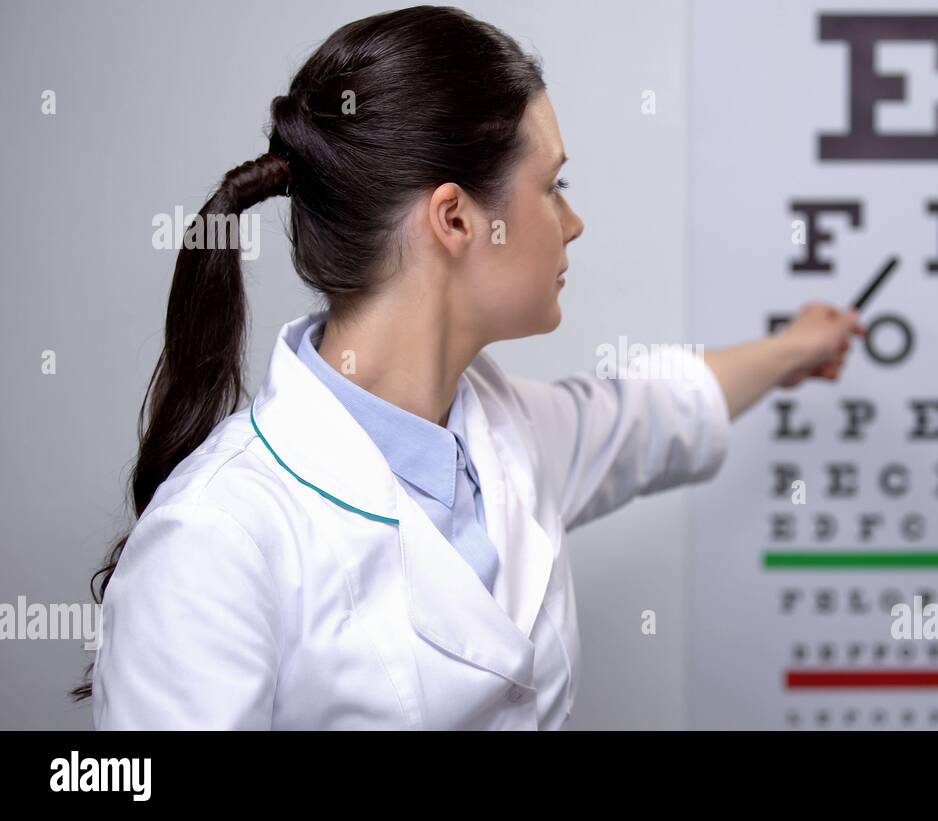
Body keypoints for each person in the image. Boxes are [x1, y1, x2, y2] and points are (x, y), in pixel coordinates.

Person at [74, 5, 862, 729]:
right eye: (553, 187)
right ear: (455, 219)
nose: (574, 222)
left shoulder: (503, 435)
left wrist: (798, 347)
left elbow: (654, 412)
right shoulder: (215, 541)